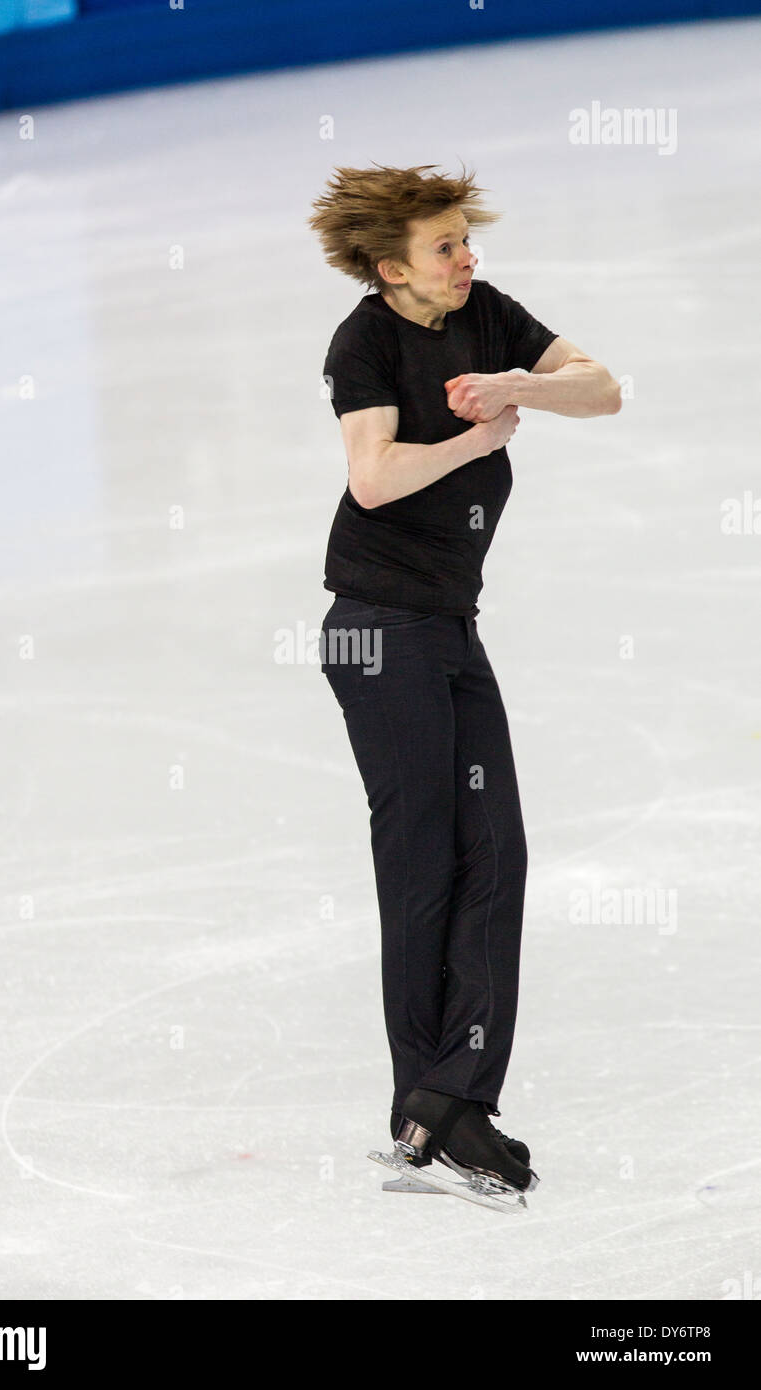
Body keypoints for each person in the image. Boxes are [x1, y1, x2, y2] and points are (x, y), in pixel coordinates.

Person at [309, 162, 621, 1195]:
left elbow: (602, 387)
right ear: (391, 267)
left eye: (462, 240)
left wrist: (517, 385)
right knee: (423, 865)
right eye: (443, 247)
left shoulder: (485, 314)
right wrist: (477, 434)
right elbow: (373, 476)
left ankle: (450, 1104)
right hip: (373, 629)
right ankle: (425, 1113)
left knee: (495, 850)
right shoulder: (364, 341)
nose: (464, 258)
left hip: (445, 622)